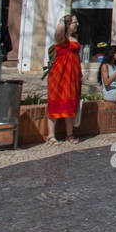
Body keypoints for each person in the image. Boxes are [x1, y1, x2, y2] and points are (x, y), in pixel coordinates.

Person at [46, 14, 82, 145]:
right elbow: (58, 32)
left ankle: (69, 134)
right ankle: (51, 135)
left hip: (73, 76)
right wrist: (62, 21)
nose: (77, 24)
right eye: (74, 22)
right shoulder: (62, 39)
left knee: (70, 104)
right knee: (55, 103)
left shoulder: (74, 38)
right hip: (60, 75)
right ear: (68, 25)